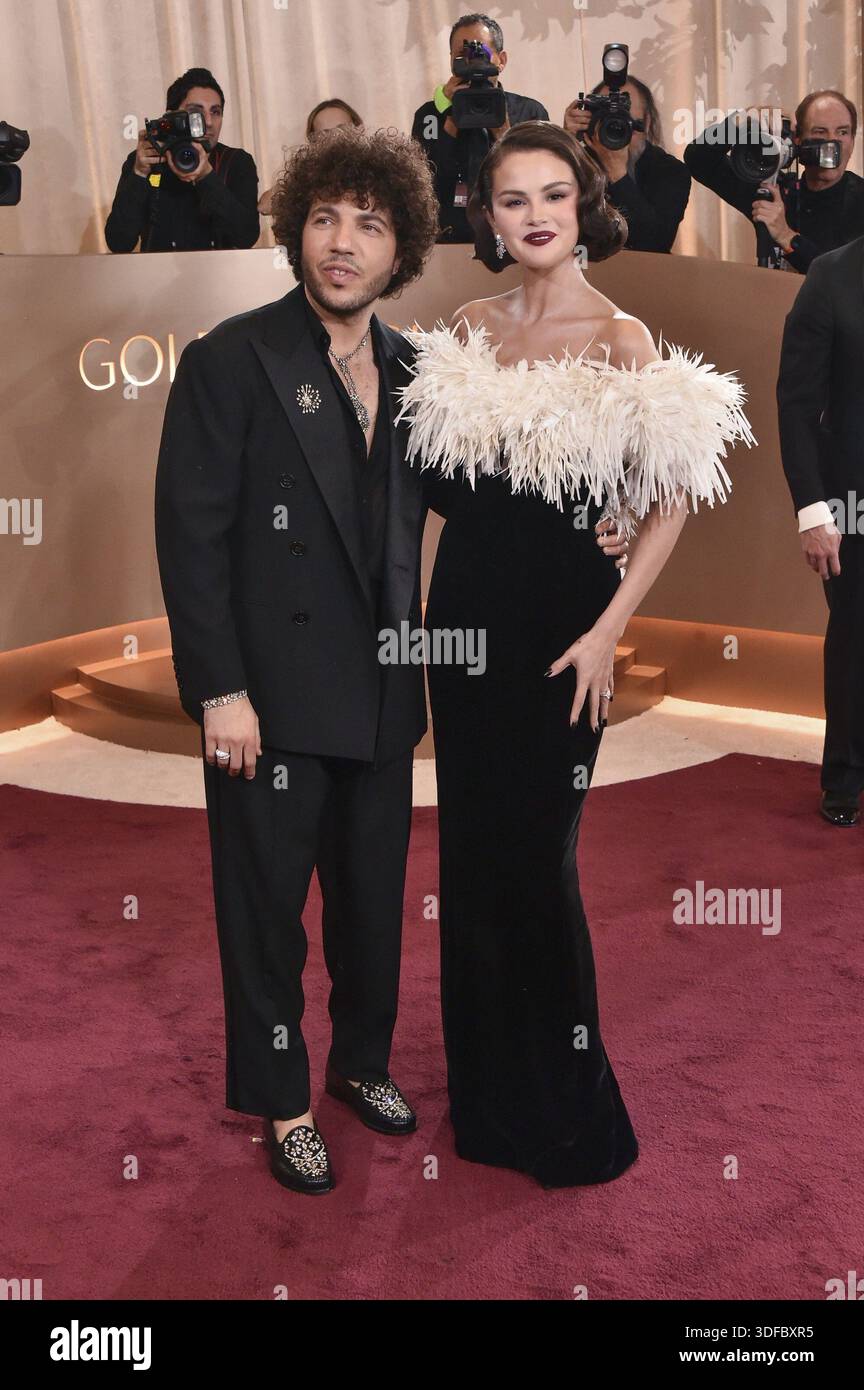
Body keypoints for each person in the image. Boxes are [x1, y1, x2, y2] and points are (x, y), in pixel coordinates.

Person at [395, 121, 754, 1187]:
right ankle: (490, 1103)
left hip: (566, 632)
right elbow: (439, 492)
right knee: (472, 853)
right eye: (514, 200)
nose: (537, 214)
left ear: (583, 206)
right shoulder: (463, 325)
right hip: (467, 621)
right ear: (488, 215)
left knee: (540, 861)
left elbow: (673, 496)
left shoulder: (622, 337)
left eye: (555, 193)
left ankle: (566, 1112)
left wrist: (610, 630)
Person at [154, 127, 439, 1194]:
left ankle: (361, 1062)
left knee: (373, 906)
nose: (342, 241)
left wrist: (594, 523)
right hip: (266, 703)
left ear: (401, 246)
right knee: (266, 916)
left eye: (370, 223)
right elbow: (191, 536)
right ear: (295, 227)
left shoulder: (418, 370)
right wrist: (219, 689)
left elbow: (475, 502)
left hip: (381, 700)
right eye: (326, 217)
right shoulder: (234, 357)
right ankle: (282, 1099)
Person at [776, 234, 864, 826]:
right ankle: (846, 779)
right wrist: (813, 511)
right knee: (857, 630)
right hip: (853, 497)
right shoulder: (832, 277)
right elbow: (797, 403)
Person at [684, 91, 864, 273]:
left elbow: (849, 279)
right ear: (798, 140)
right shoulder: (773, 191)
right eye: (820, 131)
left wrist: (787, 237)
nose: (832, 144)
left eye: (842, 132)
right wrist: (740, 121)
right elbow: (699, 160)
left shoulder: (858, 199)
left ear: (853, 141)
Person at [411, 12, 548, 243]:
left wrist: (504, 133)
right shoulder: (429, 116)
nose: (473, 62)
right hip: (450, 236)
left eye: (480, 54)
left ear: (501, 60)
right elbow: (423, 188)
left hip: (515, 236)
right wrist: (451, 118)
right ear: (452, 60)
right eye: (462, 55)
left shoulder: (530, 112)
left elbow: (540, 185)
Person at [105, 67, 259, 252]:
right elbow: (119, 242)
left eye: (216, 112)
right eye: (196, 112)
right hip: (157, 277)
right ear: (172, 115)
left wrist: (206, 176)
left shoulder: (237, 162)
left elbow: (246, 237)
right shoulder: (148, 160)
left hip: (219, 277)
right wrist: (139, 174)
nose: (208, 122)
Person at [563, 75, 691, 253]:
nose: (615, 126)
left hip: (643, 274)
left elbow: (655, 243)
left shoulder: (670, 171)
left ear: (646, 123)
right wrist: (566, 142)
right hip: (583, 270)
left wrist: (618, 173)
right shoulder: (577, 163)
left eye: (624, 118)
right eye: (606, 117)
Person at [259, 100, 363, 216]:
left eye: (342, 129)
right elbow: (265, 206)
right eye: (325, 134)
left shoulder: (376, 169)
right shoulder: (311, 175)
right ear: (314, 142)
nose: (335, 137)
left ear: (358, 130)